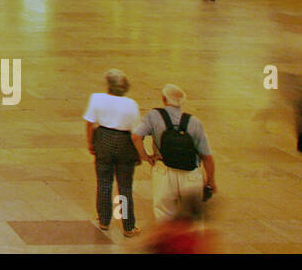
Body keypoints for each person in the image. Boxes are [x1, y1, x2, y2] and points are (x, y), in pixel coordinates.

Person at [132, 84, 216, 223]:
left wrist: (145, 156)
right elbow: (207, 156)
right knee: (193, 220)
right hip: (190, 174)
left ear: (164, 99)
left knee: (164, 215)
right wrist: (211, 180)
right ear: (182, 102)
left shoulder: (154, 116)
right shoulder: (195, 122)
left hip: (164, 171)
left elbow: (136, 137)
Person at [84, 69, 142, 238]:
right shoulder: (131, 104)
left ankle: (104, 220)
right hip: (124, 142)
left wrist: (90, 143)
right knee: (125, 186)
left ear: (108, 85)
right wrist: (140, 154)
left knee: (104, 182)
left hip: (103, 138)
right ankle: (128, 226)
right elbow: (136, 133)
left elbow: (89, 123)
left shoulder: (97, 98)